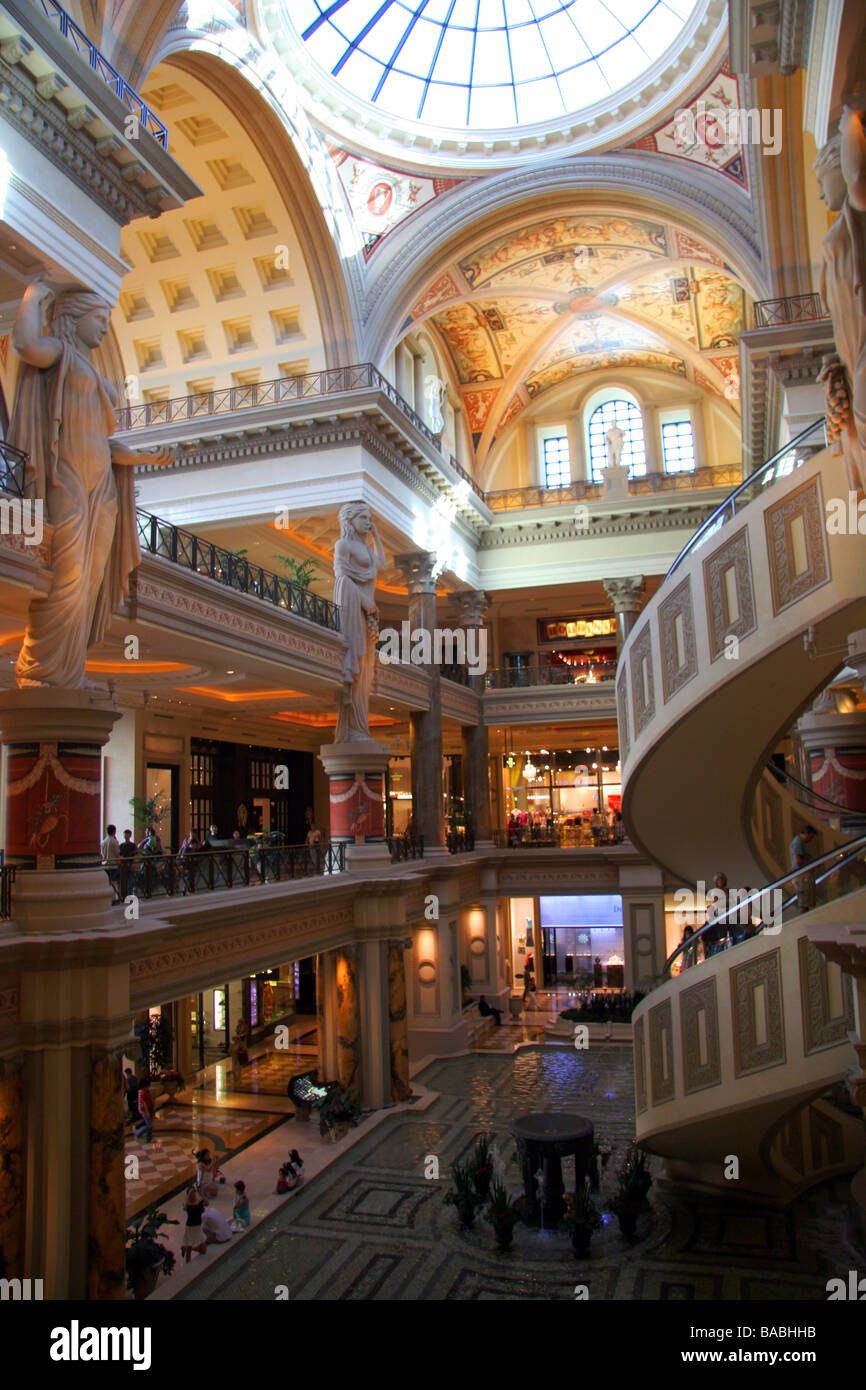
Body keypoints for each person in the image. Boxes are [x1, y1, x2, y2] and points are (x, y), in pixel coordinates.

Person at [790, 825, 818, 911]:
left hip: (804, 876)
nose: (811, 840)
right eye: (811, 837)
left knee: (807, 901)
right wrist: (813, 863)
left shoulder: (800, 843)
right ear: (806, 834)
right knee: (805, 902)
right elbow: (798, 860)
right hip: (802, 877)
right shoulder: (798, 842)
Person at [181, 1187, 208, 1262]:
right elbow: (184, 1208)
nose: (193, 1194)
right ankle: (187, 1261)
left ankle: (185, 1248)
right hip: (190, 1227)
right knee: (189, 1248)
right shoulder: (187, 1204)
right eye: (191, 1193)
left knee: (203, 1250)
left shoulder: (199, 1202)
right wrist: (188, 1196)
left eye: (194, 1193)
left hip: (198, 1227)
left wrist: (201, 1194)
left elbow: (207, 1203)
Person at [134, 1075, 154, 1144]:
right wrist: (147, 1112)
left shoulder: (146, 1091)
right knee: (148, 1125)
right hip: (145, 1111)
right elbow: (144, 1103)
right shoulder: (143, 1092)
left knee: (149, 1124)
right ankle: (138, 1133)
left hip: (148, 1110)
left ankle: (149, 1138)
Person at [118, 828, 137, 897]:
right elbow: (119, 855)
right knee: (123, 881)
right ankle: (123, 895)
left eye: (127, 835)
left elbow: (135, 855)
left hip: (130, 865)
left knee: (130, 881)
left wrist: (132, 864)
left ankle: (129, 895)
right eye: (125, 835)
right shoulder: (121, 845)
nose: (126, 836)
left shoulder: (133, 845)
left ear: (130, 835)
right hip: (123, 866)